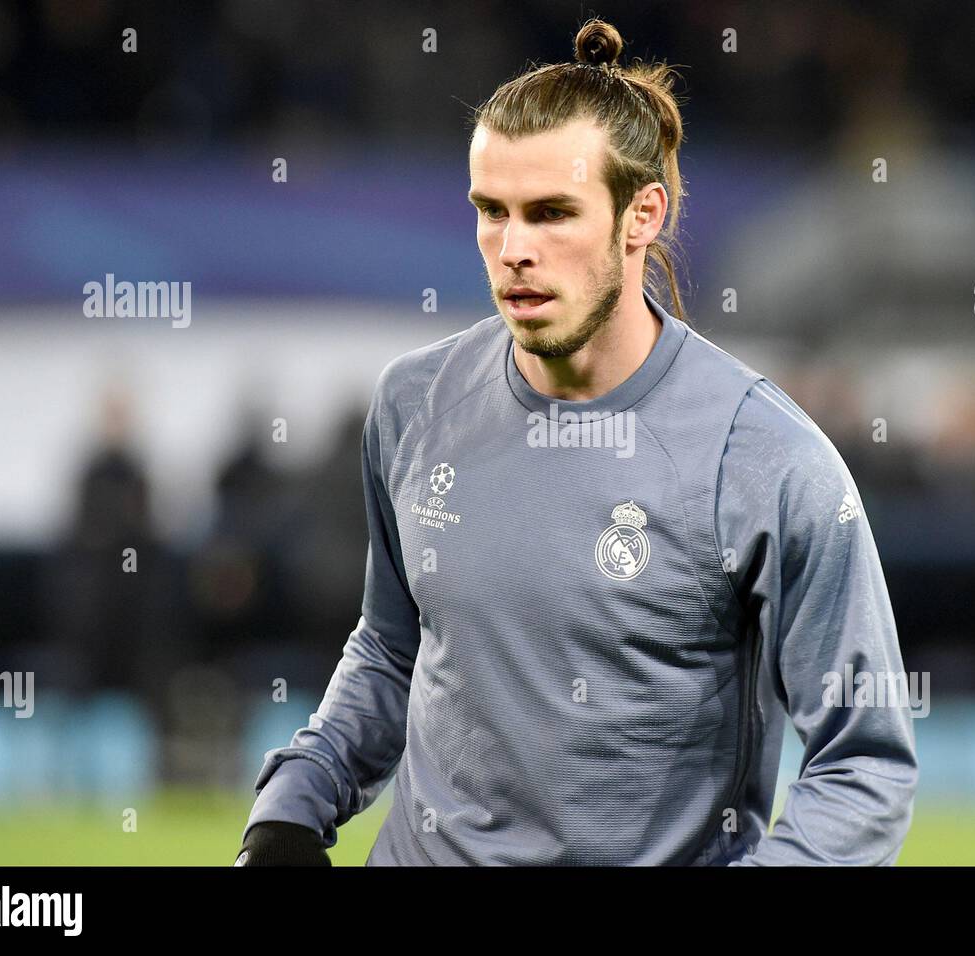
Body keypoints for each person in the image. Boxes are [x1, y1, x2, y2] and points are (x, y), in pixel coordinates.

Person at [234, 18, 916, 867]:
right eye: (493, 212)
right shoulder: (415, 403)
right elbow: (392, 650)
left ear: (643, 215)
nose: (514, 250)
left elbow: (863, 763)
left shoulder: (766, 457)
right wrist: (293, 805)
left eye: (552, 213)